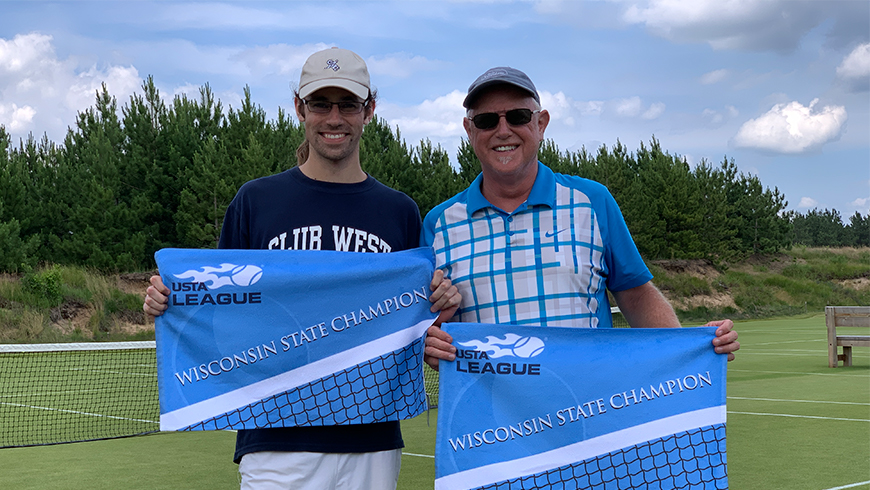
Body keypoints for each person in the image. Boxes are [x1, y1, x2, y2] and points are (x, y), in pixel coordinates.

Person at [144, 47, 458, 490]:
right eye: (320, 104)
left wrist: (438, 305)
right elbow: (217, 310)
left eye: (348, 104)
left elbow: (414, 329)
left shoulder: (399, 211)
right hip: (274, 438)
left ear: (369, 110)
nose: (334, 118)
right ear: (299, 108)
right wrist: (170, 303)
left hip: (372, 441)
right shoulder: (255, 202)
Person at [421, 66, 739, 369]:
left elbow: (637, 296)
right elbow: (426, 329)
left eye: (518, 117)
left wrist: (690, 347)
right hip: (490, 422)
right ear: (468, 130)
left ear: (541, 124)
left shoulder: (593, 202)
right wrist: (431, 339)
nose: (503, 131)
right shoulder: (438, 225)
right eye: (487, 121)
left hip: (586, 416)